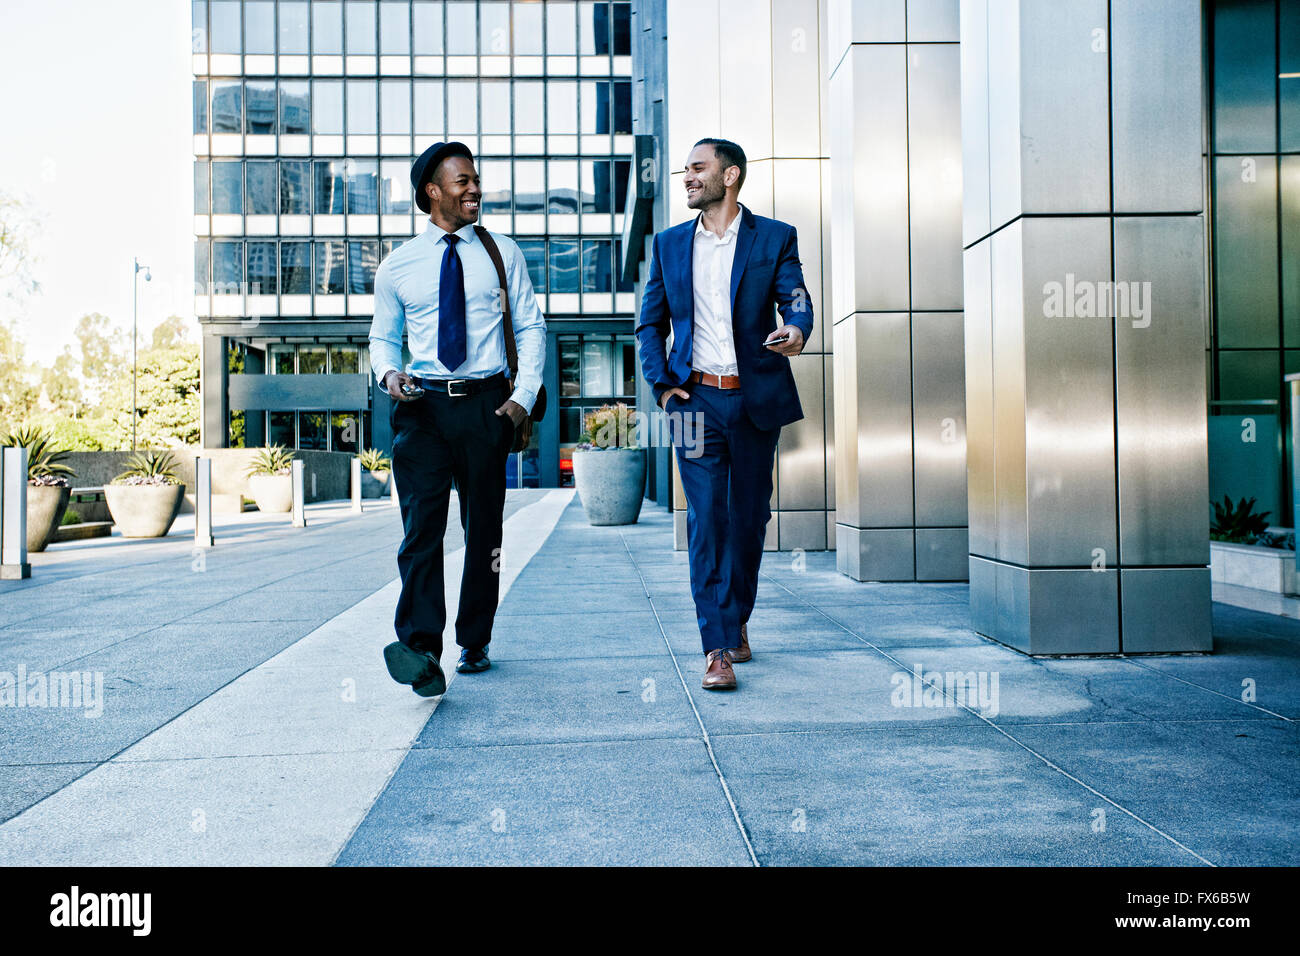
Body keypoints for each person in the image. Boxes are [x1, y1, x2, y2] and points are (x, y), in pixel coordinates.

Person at [635, 137, 814, 691]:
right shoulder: (669, 246)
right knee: (705, 519)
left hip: (755, 398)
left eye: (698, 168)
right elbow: (650, 324)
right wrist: (663, 387)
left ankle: (735, 620)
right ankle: (716, 646)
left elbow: (797, 296)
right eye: (685, 170)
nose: (688, 177)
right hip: (694, 401)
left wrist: (797, 329)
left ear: (729, 176)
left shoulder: (775, 237)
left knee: (749, 519)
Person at [369, 141, 546, 697]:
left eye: (476, 180)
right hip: (421, 408)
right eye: (463, 181)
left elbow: (532, 328)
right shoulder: (399, 266)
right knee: (421, 529)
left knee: (483, 531)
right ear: (432, 192)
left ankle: (476, 636)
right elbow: (382, 337)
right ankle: (421, 648)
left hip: (486, 404)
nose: (475, 189)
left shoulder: (502, 252)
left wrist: (523, 395)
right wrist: (388, 375)